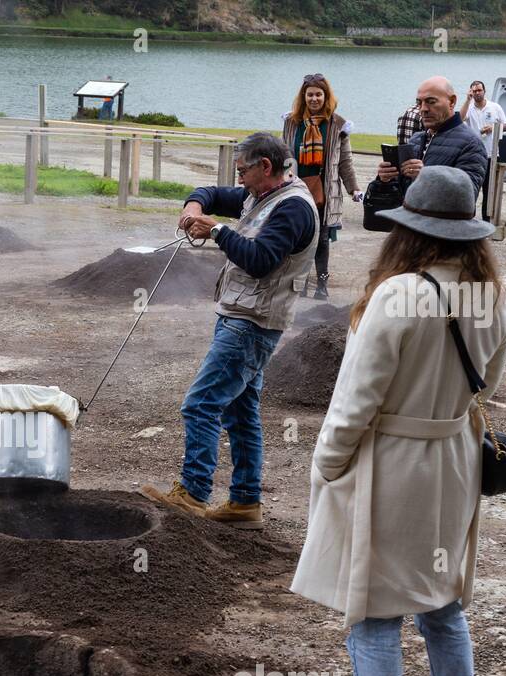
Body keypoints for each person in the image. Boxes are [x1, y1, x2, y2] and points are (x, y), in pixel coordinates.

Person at [291, 166, 506, 676]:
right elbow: (487, 387)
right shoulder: (489, 294)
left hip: (393, 463)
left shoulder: (398, 295)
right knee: (441, 595)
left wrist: (328, 463)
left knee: (373, 605)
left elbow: (357, 399)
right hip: (453, 457)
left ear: (408, 231)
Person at [141, 132, 317, 529]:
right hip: (243, 315)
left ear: (265, 167)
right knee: (240, 412)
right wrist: (193, 207)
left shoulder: (292, 209)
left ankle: (194, 492)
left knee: (201, 403)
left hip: (252, 323)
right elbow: (209, 192)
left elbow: (260, 260)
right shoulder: (262, 193)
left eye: (243, 172)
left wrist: (217, 231)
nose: (239, 182)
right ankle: (244, 503)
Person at [280, 73, 362, 300]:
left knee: (321, 239)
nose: (314, 99)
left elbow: (345, 160)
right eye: (310, 95)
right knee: (299, 237)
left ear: (326, 97)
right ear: (303, 97)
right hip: (295, 189)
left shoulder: (337, 125)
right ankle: (301, 282)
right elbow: (283, 154)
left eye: (318, 94)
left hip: (324, 191)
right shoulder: (291, 122)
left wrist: (353, 188)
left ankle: (322, 285)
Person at [377, 76, 487, 201]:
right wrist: (385, 180)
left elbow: (467, 198)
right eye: (419, 103)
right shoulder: (416, 139)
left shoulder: (471, 144)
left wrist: (427, 176)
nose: (423, 109)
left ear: (452, 102)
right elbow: (400, 193)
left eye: (431, 101)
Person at [459, 80, 506, 222]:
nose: (477, 93)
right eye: (474, 91)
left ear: (484, 91)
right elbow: (460, 119)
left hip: (491, 154)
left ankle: (487, 220)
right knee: (472, 187)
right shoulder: (468, 107)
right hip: (473, 155)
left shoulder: (494, 107)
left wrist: (493, 127)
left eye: (479, 90)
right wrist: (467, 100)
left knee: (489, 189)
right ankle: (469, 218)